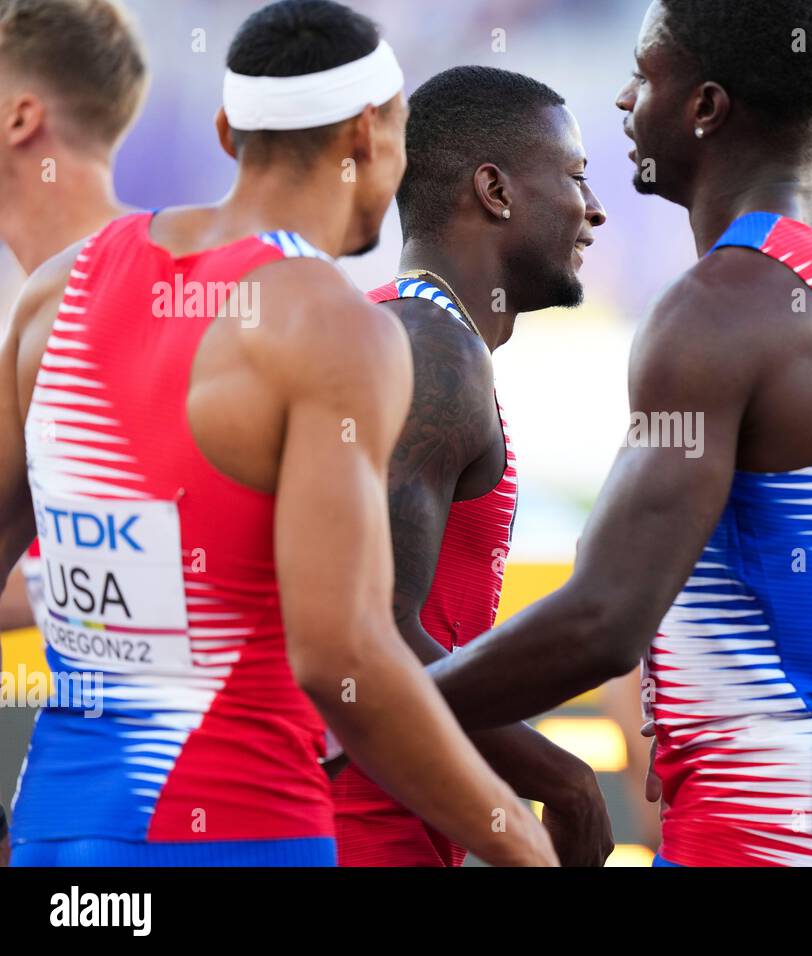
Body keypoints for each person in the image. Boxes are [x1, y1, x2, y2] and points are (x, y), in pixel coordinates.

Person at [0, 0, 554, 867]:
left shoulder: (56, 293)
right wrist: (518, 835)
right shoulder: (336, 328)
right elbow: (343, 657)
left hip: (58, 834)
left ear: (227, 130)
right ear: (369, 133)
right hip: (239, 828)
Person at [424, 0, 812, 866]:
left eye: (644, 76)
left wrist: (373, 707)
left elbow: (604, 619)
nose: (623, 102)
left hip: (773, 836)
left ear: (705, 108)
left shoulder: (720, 311)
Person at [330, 65, 613, 867]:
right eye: (575, 177)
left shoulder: (415, 336)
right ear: (494, 190)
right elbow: (372, 633)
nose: (593, 210)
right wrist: (563, 782)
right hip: (365, 832)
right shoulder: (432, 351)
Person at [0, 0, 149, 866]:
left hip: (175, 820)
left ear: (21, 116)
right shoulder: (35, 320)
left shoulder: (157, 301)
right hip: (70, 811)